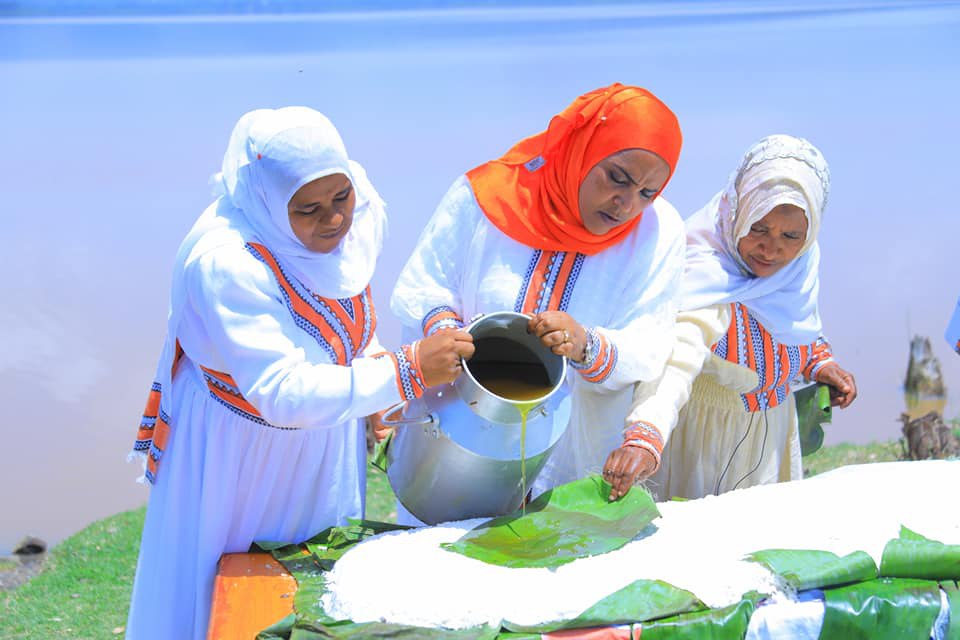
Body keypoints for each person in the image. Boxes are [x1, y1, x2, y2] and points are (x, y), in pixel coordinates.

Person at [125, 107, 473, 639]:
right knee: (226, 589)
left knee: (317, 582)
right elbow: (280, 390)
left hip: (321, 437)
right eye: (308, 209)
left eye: (341, 198)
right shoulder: (229, 262)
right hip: (238, 450)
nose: (333, 220)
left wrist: (375, 373)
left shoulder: (353, 215)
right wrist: (403, 371)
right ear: (267, 201)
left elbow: (341, 321)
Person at [390, 83, 686, 506]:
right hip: (458, 435)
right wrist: (447, 333)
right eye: (616, 178)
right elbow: (426, 282)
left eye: (647, 192)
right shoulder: (486, 196)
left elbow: (652, 344)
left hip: (569, 450)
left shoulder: (658, 233)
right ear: (583, 149)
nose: (625, 204)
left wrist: (586, 344)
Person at [603, 134, 857, 502]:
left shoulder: (798, 270)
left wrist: (819, 361)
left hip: (770, 433)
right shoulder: (702, 276)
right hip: (704, 437)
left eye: (791, 235)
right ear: (736, 212)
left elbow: (797, 323)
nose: (772, 248)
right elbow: (674, 364)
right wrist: (645, 437)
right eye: (758, 228)